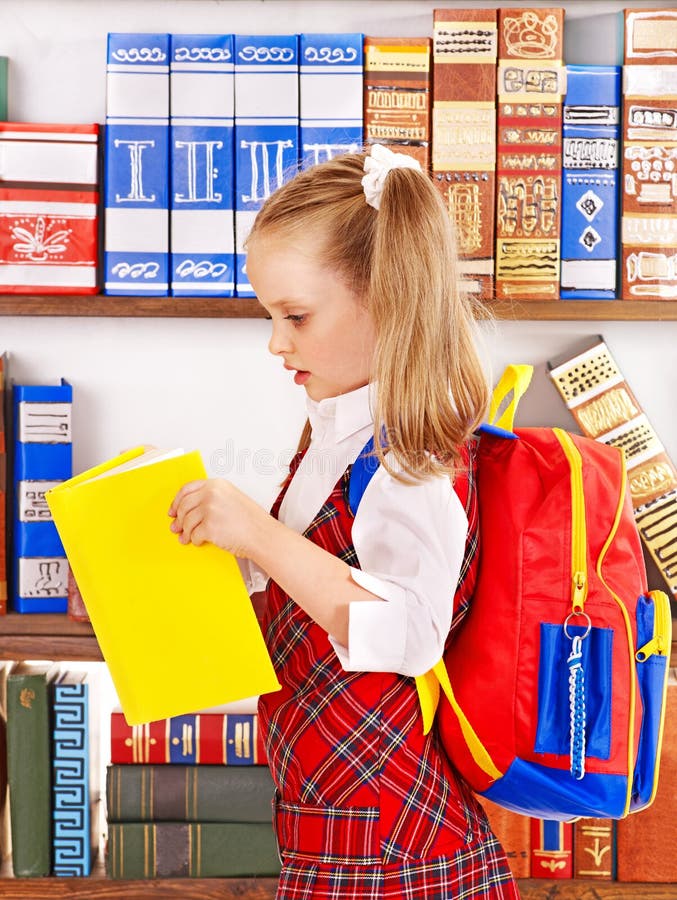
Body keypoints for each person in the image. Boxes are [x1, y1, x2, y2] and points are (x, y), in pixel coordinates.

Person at [168, 145, 519, 899]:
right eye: (270, 316)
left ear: (386, 300)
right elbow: (303, 601)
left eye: (294, 315)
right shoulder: (329, 441)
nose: (275, 342)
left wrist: (257, 533)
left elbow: (410, 633)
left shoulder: (412, 458)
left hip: (396, 857)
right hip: (333, 833)